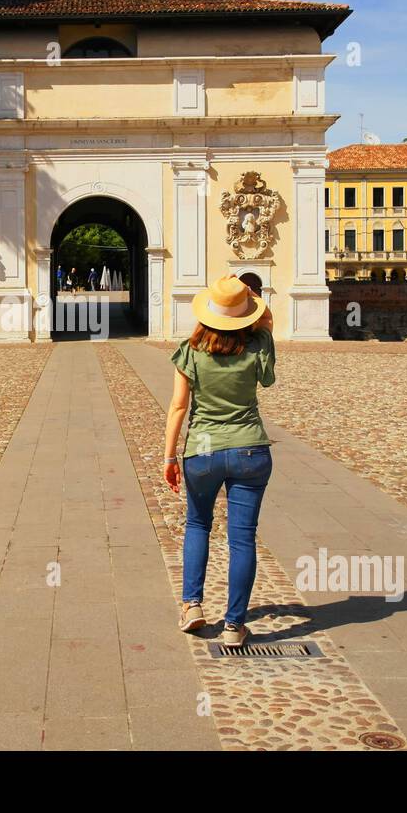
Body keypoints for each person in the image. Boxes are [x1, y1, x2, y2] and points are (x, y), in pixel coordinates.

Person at [163, 274, 275, 648]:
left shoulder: (190, 351)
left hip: (204, 451)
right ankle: (233, 626)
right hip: (249, 450)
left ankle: (192, 606)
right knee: (242, 538)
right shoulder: (258, 345)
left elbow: (179, 407)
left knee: (197, 525)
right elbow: (269, 379)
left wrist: (169, 456)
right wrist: (262, 317)